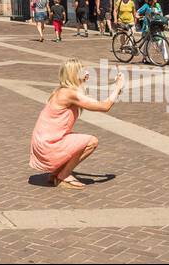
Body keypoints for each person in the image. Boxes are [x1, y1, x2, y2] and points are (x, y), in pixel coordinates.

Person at [30, 60, 125, 189]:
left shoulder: (63, 91)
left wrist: (114, 87)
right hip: (48, 145)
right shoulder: (69, 94)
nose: (86, 72)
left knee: (76, 141)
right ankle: (63, 175)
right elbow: (104, 106)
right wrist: (118, 87)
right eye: (82, 70)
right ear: (74, 74)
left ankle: (56, 173)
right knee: (91, 142)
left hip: (44, 141)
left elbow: (94, 99)